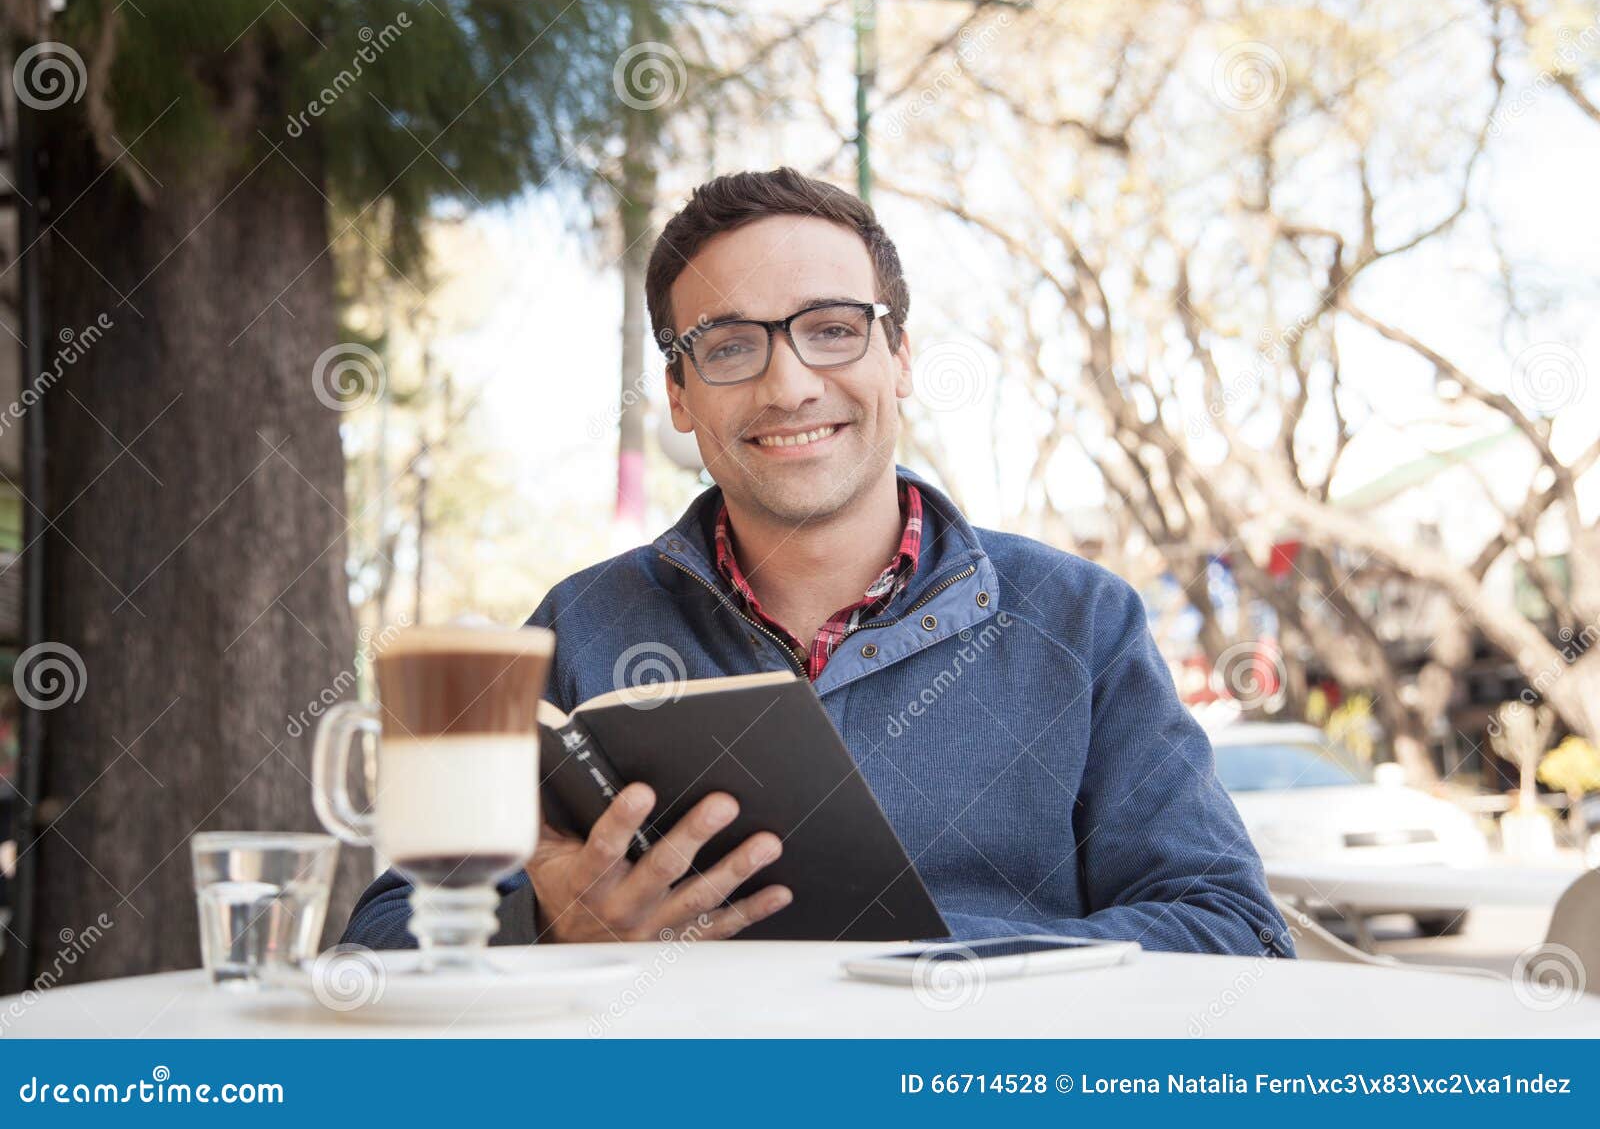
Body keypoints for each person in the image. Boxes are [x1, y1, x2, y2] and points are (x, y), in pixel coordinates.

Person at [342, 166, 1291, 957]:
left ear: (901, 358)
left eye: (832, 328)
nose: (789, 384)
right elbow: (382, 934)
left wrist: (935, 972)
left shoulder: (1080, 620)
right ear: (678, 392)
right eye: (728, 346)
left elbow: (1234, 928)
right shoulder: (580, 627)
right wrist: (547, 916)